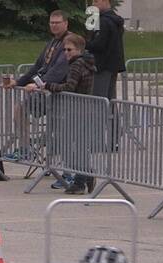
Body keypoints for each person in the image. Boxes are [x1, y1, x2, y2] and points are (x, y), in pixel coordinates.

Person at [4, 10, 71, 163]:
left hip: (56, 92)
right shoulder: (52, 42)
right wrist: (19, 82)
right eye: (51, 22)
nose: (54, 26)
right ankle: (25, 149)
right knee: (19, 109)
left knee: (21, 109)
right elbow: (37, 67)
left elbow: (59, 70)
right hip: (43, 90)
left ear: (66, 23)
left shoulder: (69, 42)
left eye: (57, 23)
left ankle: (32, 152)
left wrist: (37, 85)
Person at [43, 34, 97, 195]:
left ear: (79, 50)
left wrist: (48, 85)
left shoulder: (77, 64)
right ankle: (85, 176)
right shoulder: (85, 63)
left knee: (76, 147)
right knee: (79, 147)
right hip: (83, 109)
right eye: (65, 49)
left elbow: (69, 87)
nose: (66, 52)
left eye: (70, 49)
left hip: (78, 110)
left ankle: (81, 181)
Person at [85, 0, 125, 101]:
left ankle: (102, 117)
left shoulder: (103, 21)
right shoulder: (115, 20)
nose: (93, 5)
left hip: (102, 65)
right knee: (110, 98)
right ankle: (112, 116)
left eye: (96, 1)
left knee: (99, 99)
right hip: (113, 64)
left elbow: (99, 44)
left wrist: (83, 43)